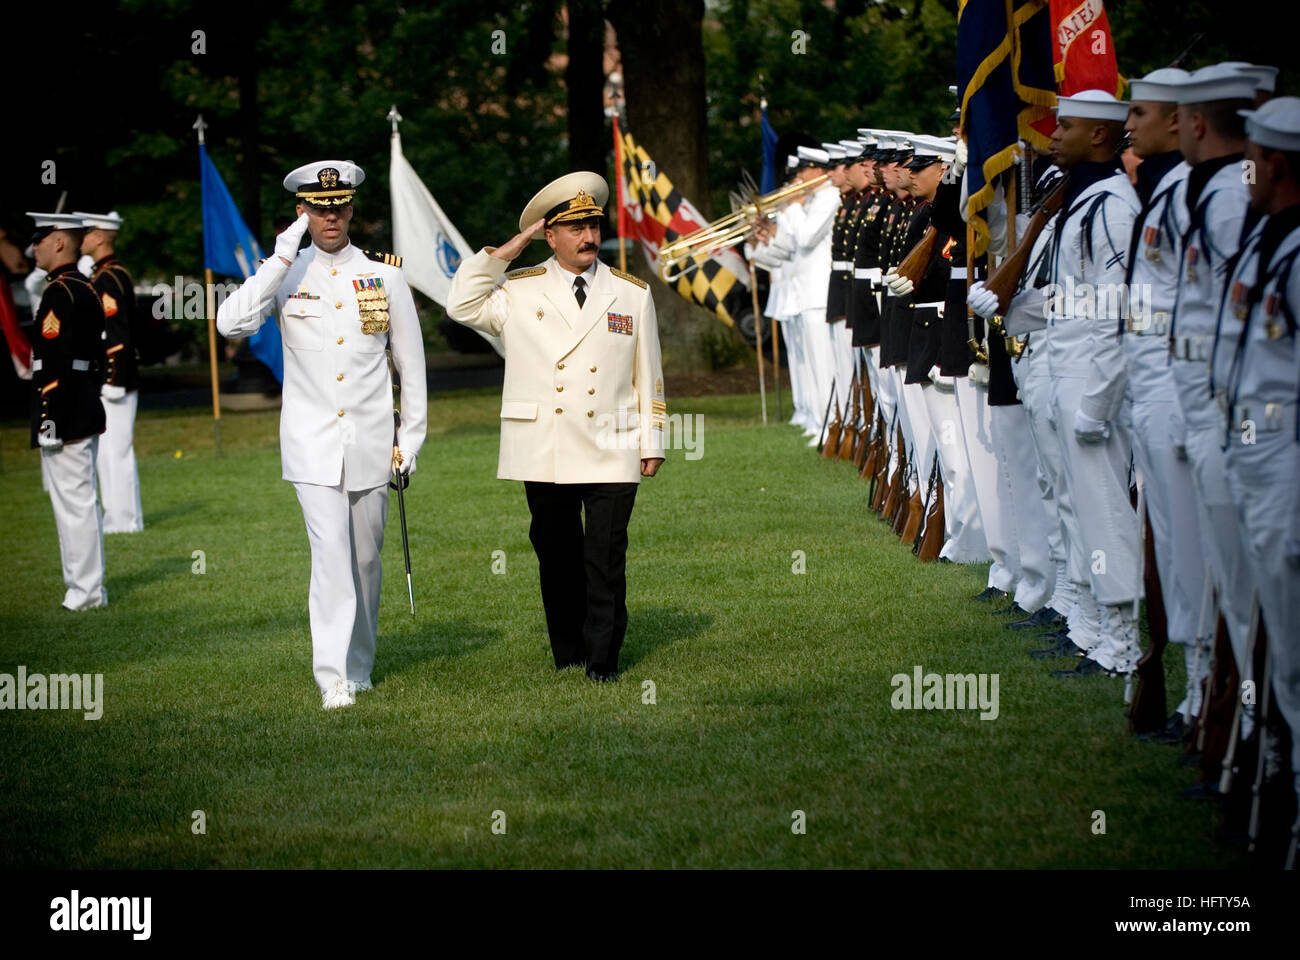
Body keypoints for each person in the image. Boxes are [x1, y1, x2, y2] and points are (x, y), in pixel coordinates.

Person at [216, 160, 428, 709]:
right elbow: (229, 322)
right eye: (318, 208)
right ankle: (333, 677)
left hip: (374, 442)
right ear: (302, 211)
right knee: (331, 554)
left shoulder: (384, 275)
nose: (330, 218)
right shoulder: (285, 271)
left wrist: (412, 441)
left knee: (364, 560)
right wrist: (283, 252)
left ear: (351, 209)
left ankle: (359, 667)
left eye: (338, 207)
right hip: (311, 443)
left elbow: (411, 366)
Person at [446, 172, 665, 682]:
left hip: (613, 440)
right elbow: (460, 304)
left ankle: (603, 659)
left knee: (605, 554)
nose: (589, 237)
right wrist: (508, 249)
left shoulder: (631, 293)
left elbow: (649, 375)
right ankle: (568, 649)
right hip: (544, 443)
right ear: (550, 236)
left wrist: (653, 440)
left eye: (593, 225)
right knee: (557, 551)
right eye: (574, 228)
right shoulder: (518, 290)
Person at [1217, 94, 1300, 859]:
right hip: (1252, 453)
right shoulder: (1265, 239)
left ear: (1272, 164)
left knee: (1295, 652)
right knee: (1275, 636)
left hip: (1285, 462)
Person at [25, 212, 108, 611]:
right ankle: (83, 586)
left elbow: (56, 361)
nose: (33, 247)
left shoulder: (62, 291)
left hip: (66, 409)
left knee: (75, 504)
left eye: (40, 239)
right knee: (76, 502)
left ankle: (86, 591)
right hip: (79, 405)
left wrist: (50, 416)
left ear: (59, 242)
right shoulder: (82, 287)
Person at [75, 210, 145, 534]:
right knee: (107, 452)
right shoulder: (105, 274)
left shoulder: (108, 278)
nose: (82, 237)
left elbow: (117, 334)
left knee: (116, 451)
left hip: (115, 379)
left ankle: (125, 520)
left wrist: (111, 378)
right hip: (106, 377)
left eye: (87, 231)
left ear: (101, 236)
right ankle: (114, 516)